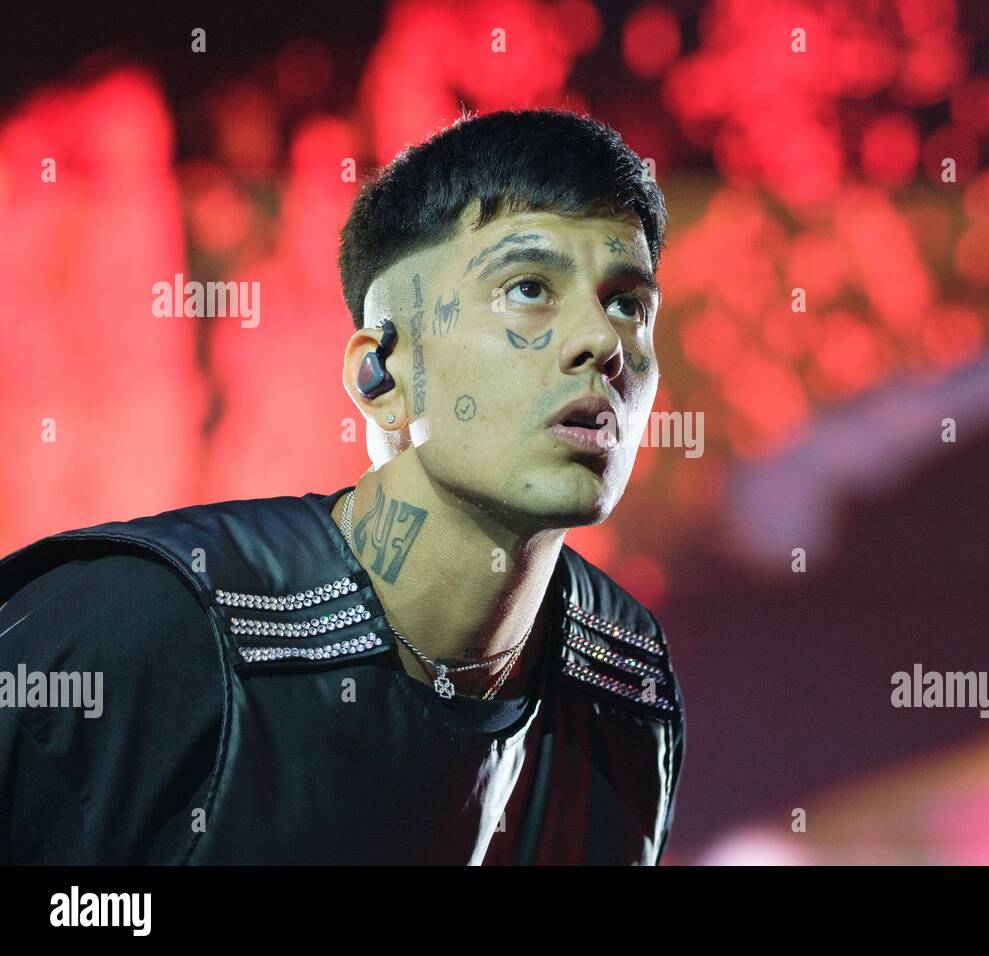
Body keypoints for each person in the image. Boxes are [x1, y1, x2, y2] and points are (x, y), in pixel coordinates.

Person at [0, 108, 684, 865]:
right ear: (380, 373)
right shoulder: (146, 631)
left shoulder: (625, 685)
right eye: (528, 288)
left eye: (628, 303)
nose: (603, 342)